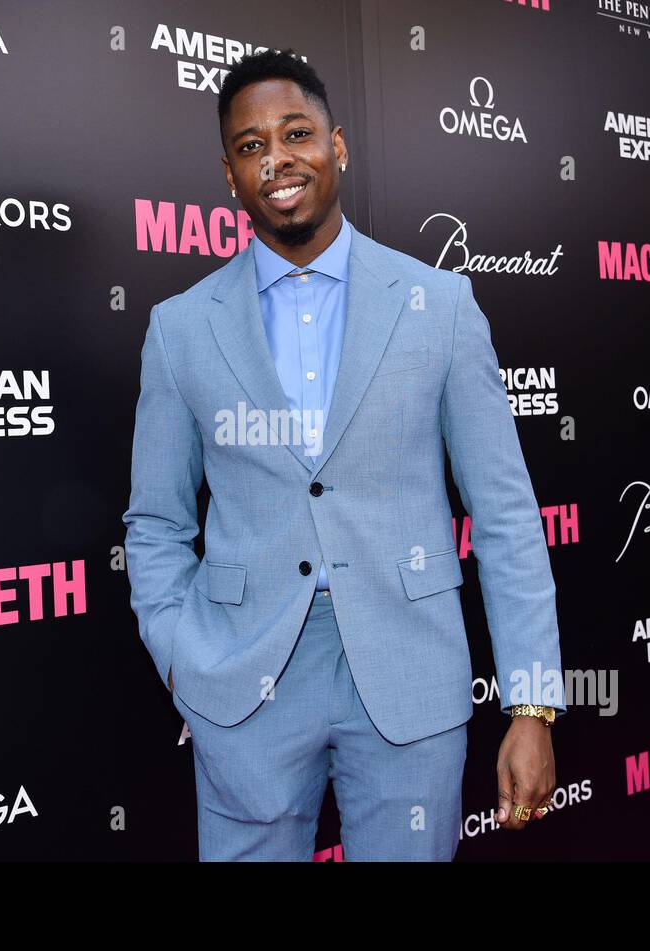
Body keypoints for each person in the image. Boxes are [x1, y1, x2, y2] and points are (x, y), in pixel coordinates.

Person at [122, 47, 565, 861]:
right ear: (230, 176)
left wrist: (531, 705)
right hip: (243, 677)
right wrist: (184, 660)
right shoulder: (181, 329)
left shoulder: (440, 306)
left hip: (407, 672)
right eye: (252, 146)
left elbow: (503, 512)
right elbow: (154, 523)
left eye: (296, 134)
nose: (278, 159)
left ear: (338, 146)